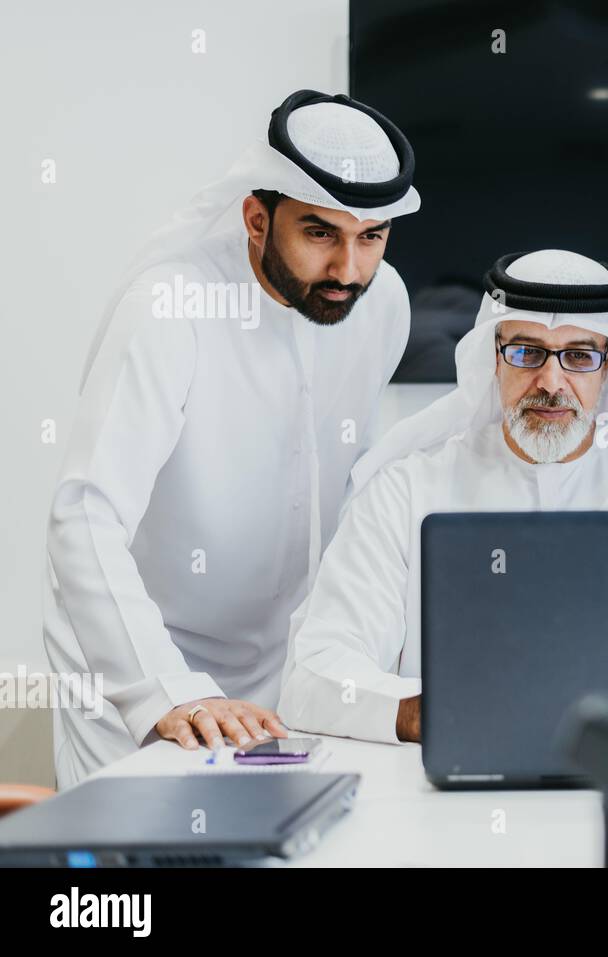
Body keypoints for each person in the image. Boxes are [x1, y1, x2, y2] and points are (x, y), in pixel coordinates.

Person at [44, 90, 421, 785]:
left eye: (372, 236)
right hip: (142, 669)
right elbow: (84, 514)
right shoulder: (170, 309)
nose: (348, 269)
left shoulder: (382, 302)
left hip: (285, 675)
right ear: (256, 217)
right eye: (319, 233)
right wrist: (167, 687)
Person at [277, 250, 608, 743]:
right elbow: (314, 677)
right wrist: (433, 713)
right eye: (527, 352)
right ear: (493, 359)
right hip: (451, 797)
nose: (550, 382)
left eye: (579, 356)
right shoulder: (406, 492)